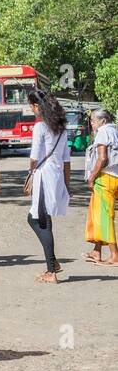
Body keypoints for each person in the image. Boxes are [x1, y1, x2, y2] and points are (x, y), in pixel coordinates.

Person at [24, 88, 71, 285]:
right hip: (57, 175)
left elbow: (34, 158)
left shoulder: (40, 127)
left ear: (37, 107)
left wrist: (30, 174)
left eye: (31, 106)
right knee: (42, 219)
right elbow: (67, 161)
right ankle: (53, 264)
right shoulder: (61, 128)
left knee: (38, 220)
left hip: (43, 177)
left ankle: (52, 270)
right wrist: (66, 186)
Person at [84, 108, 118, 266]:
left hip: (105, 178)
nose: (92, 124)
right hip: (113, 177)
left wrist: (91, 178)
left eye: (93, 121)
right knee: (98, 214)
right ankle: (96, 251)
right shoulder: (114, 131)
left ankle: (114, 256)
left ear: (103, 121)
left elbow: (102, 158)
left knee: (104, 217)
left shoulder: (103, 132)